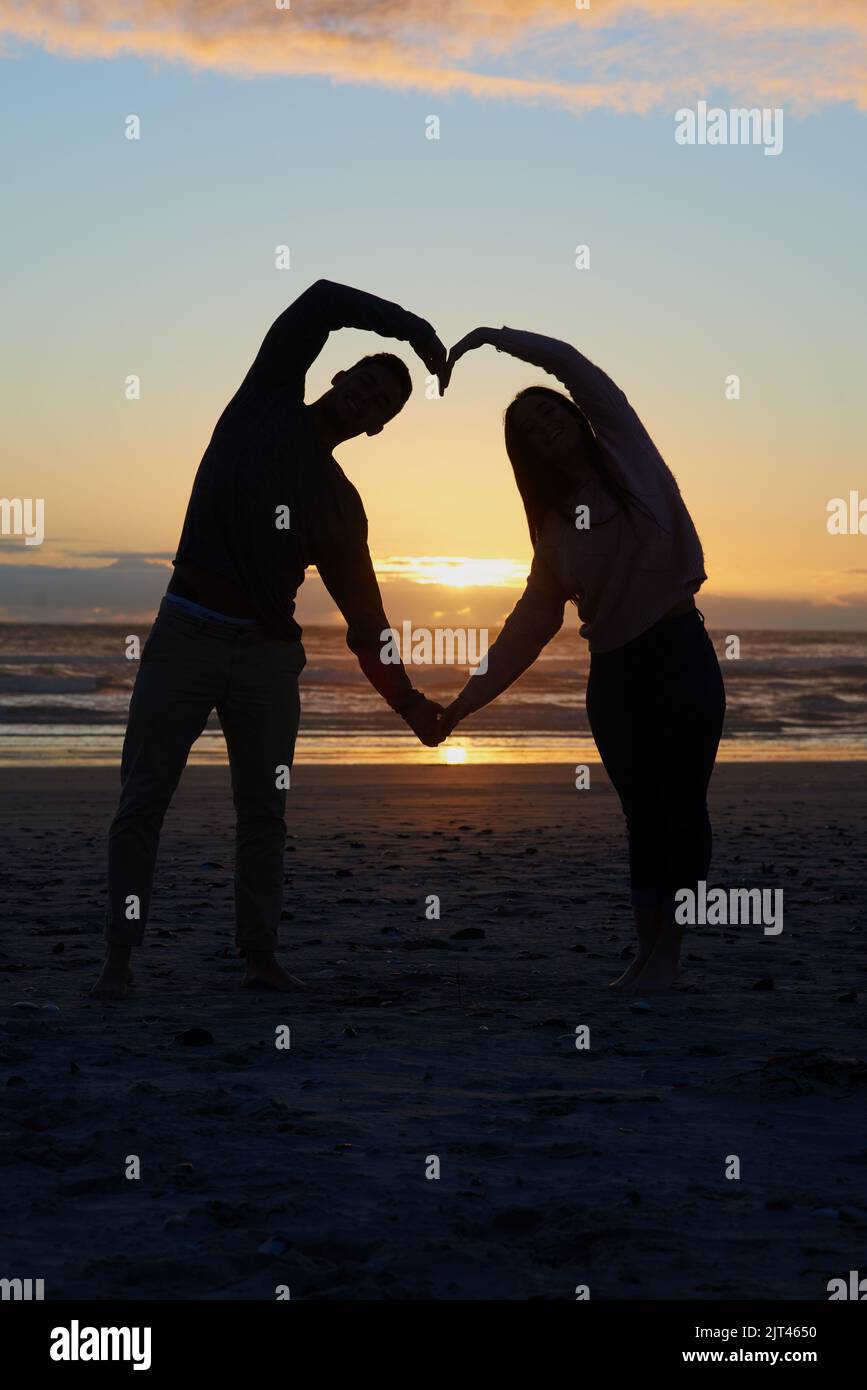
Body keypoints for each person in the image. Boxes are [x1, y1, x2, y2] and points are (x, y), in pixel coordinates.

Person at [93, 280, 448, 1000]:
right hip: (185, 635)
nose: (369, 397)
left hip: (264, 660)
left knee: (264, 812)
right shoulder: (266, 399)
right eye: (366, 380)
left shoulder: (342, 506)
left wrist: (409, 704)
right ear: (338, 376)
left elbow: (366, 624)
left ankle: (260, 958)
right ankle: (118, 960)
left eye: (384, 402)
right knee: (143, 800)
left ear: (379, 428)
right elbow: (319, 301)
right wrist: (413, 330)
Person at [438, 325, 725, 992]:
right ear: (524, 453)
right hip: (615, 676)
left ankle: (669, 956)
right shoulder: (550, 528)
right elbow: (527, 629)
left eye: (548, 410)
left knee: (680, 806)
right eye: (527, 427)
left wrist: (489, 338)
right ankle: (644, 949)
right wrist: (461, 705)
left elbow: (572, 365)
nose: (543, 424)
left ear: (571, 414)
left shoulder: (628, 457)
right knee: (640, 815)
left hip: (678, 655)